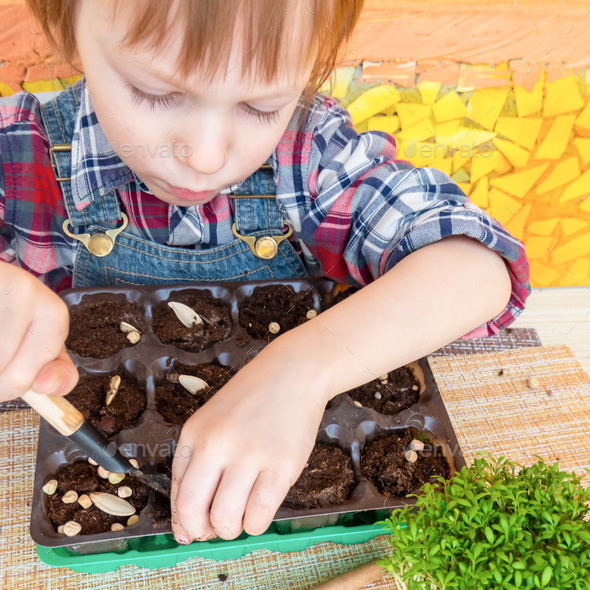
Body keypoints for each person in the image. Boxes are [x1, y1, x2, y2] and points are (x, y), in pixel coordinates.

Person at [0, 0, 530, 544]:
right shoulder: (17, 154)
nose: (206, 156)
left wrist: (299, 371)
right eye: (155, 92)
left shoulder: (310, 156)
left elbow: (478, 269)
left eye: (260, 104)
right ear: (65, 26)